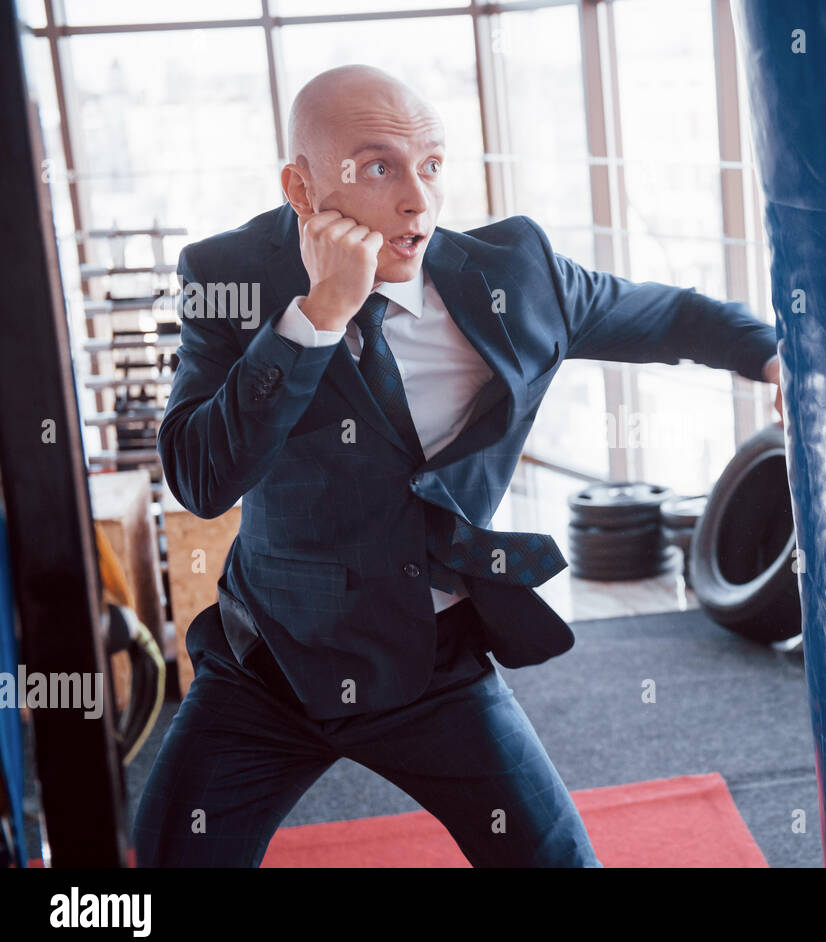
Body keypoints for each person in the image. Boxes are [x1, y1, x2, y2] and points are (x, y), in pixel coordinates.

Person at [133, 64, 782, 867]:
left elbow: (667, 316)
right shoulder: (227, 275)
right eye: (379, 168)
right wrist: (318, 314)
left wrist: (777, 359)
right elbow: (201, 480)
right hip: (271, 659)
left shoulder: (515, 275)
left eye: (431, 165)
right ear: (301, 189)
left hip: (430, 657)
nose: (419, 200)